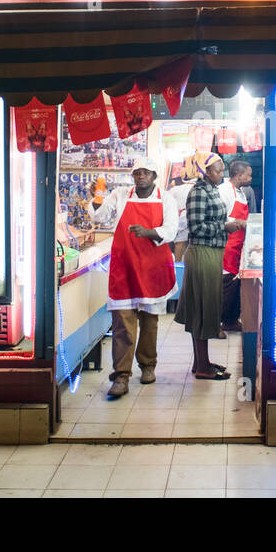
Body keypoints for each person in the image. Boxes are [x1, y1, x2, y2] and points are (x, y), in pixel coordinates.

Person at [90, 158, 177, 398]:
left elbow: (171, 229)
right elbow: (99, 217)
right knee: (122, 324)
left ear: (154, 176)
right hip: (125, 268)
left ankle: (148, 365)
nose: (141, 177)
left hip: (153, 268)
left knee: (149, 322)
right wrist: (97, 200)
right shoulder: (120, 195)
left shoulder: (165, 198)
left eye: (145, 173)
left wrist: (148, 232)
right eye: (137, 173)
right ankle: (121, 376)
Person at [175, 152, 239, 380]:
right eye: (218, 170)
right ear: (205, 171)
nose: (222, 174)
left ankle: (201, 361)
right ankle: (202, 367)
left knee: (204, 308)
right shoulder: (198, 192)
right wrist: (225, 227)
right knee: (202, 310)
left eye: (222, 170)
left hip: (212, 253)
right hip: (202, 254)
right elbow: (197, 227)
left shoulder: (211, 190)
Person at [220, 159, 253, 333]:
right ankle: (217, 323)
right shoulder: (225, 191)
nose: (250, 177)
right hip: (227, 245)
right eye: (248, 174)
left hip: (239, 245)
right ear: (239, 175)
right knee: (225, 286)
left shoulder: (241, 192)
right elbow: (218, 217)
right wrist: (238, 222)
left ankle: (231, 320)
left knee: (235, 286)